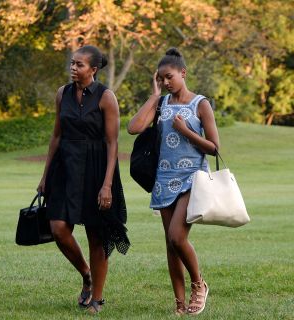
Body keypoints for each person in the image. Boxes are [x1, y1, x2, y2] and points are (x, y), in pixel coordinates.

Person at [37, 45, 130, 314]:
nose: (73, 68)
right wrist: (45, 176)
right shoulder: (62, 94)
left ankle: (97, 298)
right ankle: (86, 274)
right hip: (65, 167)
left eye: (79, 65)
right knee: (58, 228)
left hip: (96, 168)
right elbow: (56, 135)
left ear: (93, 69)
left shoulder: (106, 97)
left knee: (96, 235)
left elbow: (112, 143)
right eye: (72, 64)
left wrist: (107, 184)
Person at [127, 48, 219, 316]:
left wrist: (186, 131)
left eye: (169, 77)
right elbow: (134, 128)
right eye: (161, 78)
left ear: (183, 73)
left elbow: (214, 147)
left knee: (177, 237)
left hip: (192, 179)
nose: (166, 82)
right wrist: (155, 96)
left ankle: (199, 285)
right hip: (163, 179)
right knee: (170, 244)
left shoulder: (200, 104)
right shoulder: (162, 102)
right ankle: (179, 304)